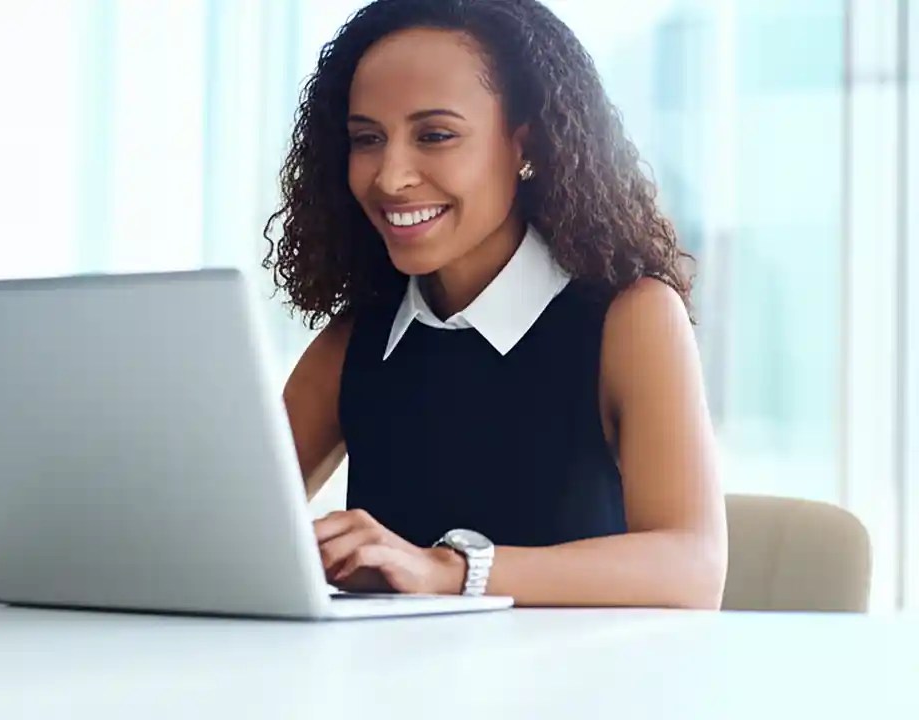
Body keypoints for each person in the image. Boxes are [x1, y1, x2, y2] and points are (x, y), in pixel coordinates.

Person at [264, 0, 726, 609]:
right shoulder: (358, 336)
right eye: (366, 139)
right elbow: (230, 521)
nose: (390, 177)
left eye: (435, 136)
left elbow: (691, 569)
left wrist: (448, 572)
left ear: (525, 143)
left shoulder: (630, 317)